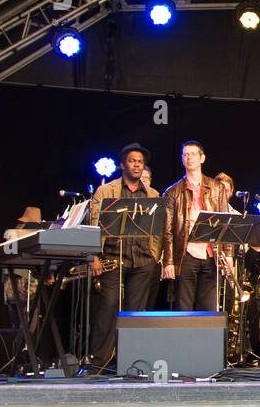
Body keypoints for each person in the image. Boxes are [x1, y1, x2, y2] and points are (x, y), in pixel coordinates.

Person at [87, 143, 162, 367]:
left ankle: (131, 361)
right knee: (108, 307)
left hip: (141, 258)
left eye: (140, 161)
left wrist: (154, 254)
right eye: (132, 160)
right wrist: (94, 255)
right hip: (113, 256)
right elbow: (94, 224)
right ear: (122, 165)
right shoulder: (106, 191)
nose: (137, 164)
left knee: (135, 313)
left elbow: (157, 229)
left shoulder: (152, 194)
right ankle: (99, 361)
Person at [161, 141, 233, 311]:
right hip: (186, 253)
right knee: (183, 307)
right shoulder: (172, 192)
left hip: (210, 253)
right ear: (182, 159)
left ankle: (207, 338)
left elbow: (225, 221)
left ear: (202, 158)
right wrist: (169, 261)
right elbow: (167, 231)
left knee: (208, 308)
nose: (189, 157)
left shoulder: (217, 188)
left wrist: (228, 254)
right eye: (185, 154)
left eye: (193, 154)